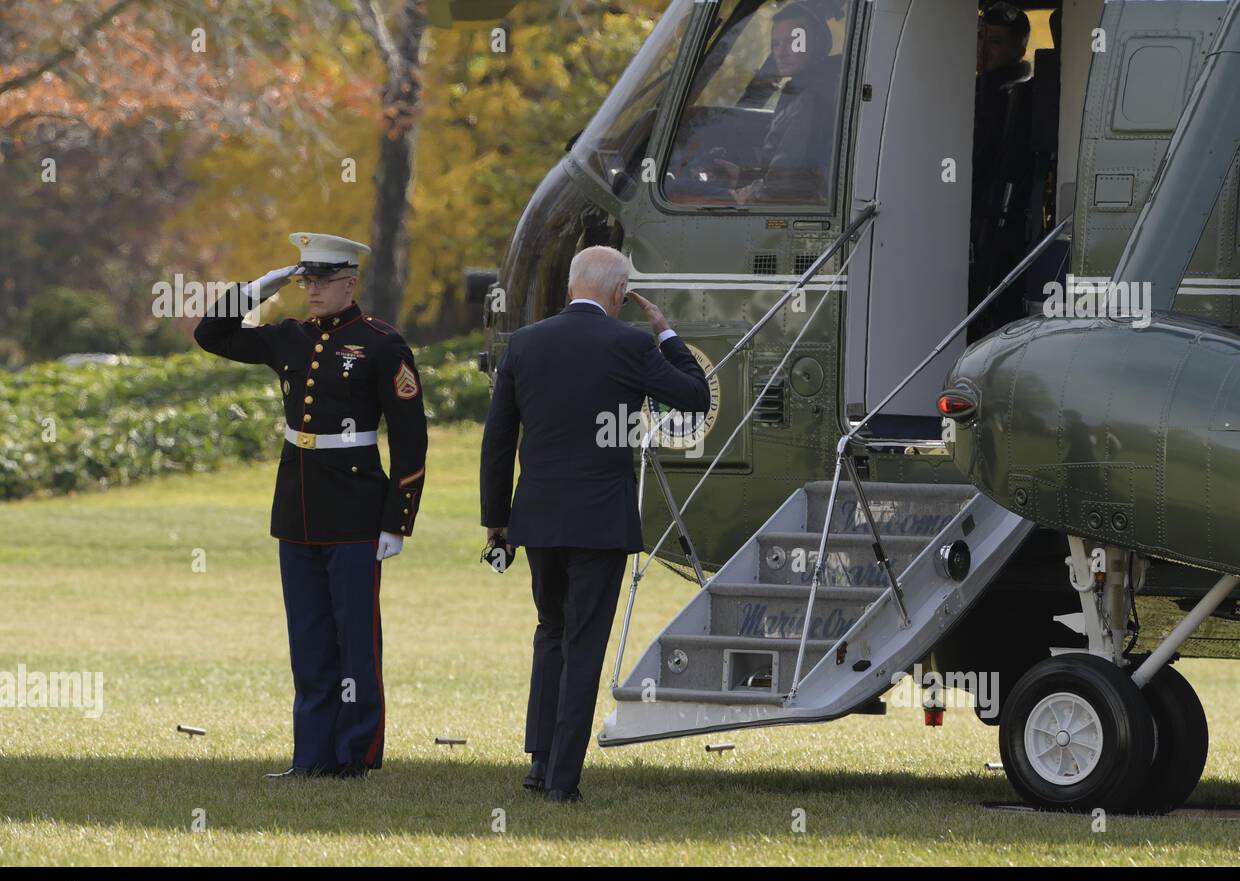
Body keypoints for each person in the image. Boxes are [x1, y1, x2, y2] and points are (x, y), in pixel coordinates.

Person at [479, 246, 710, 803]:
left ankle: (539, 764)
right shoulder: (631, 344)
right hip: (600, 525)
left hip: (537, 519)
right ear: (619, 294)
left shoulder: (525, 344)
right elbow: (694, 398)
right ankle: (564, 781)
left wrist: (497, 520)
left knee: (551, 632)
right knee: (583, 645)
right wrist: (668, 335)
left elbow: (498, 440)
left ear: (570, 288)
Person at [194, 232, 428, 780]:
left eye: (322, 281)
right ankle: (312, 757)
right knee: (309, 640)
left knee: (355, 639)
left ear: (351, 281)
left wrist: (398, 519)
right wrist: (259, 288)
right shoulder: (290, 338)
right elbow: (211, 334)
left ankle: (355, 755)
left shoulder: (381, 344)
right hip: (297, 507)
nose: (313, 290)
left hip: (355, 509)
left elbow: (411, 438)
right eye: (306, 280)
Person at [683, 2, 840, 205]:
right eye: (776, 44)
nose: (781, 52)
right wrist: (741, 175)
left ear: (818, 43)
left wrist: (753, 195)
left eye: (794, 41)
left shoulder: (813, 100)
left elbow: (788, 183)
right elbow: (782, 170)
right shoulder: (799, 92)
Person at [969, 2, 1035, 340]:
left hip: (987, 230)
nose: (982, 49)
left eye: (994, 42)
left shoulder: (994, 95)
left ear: (1019, 50)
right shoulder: (990, 88)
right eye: (980, 38)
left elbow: (971, 164)